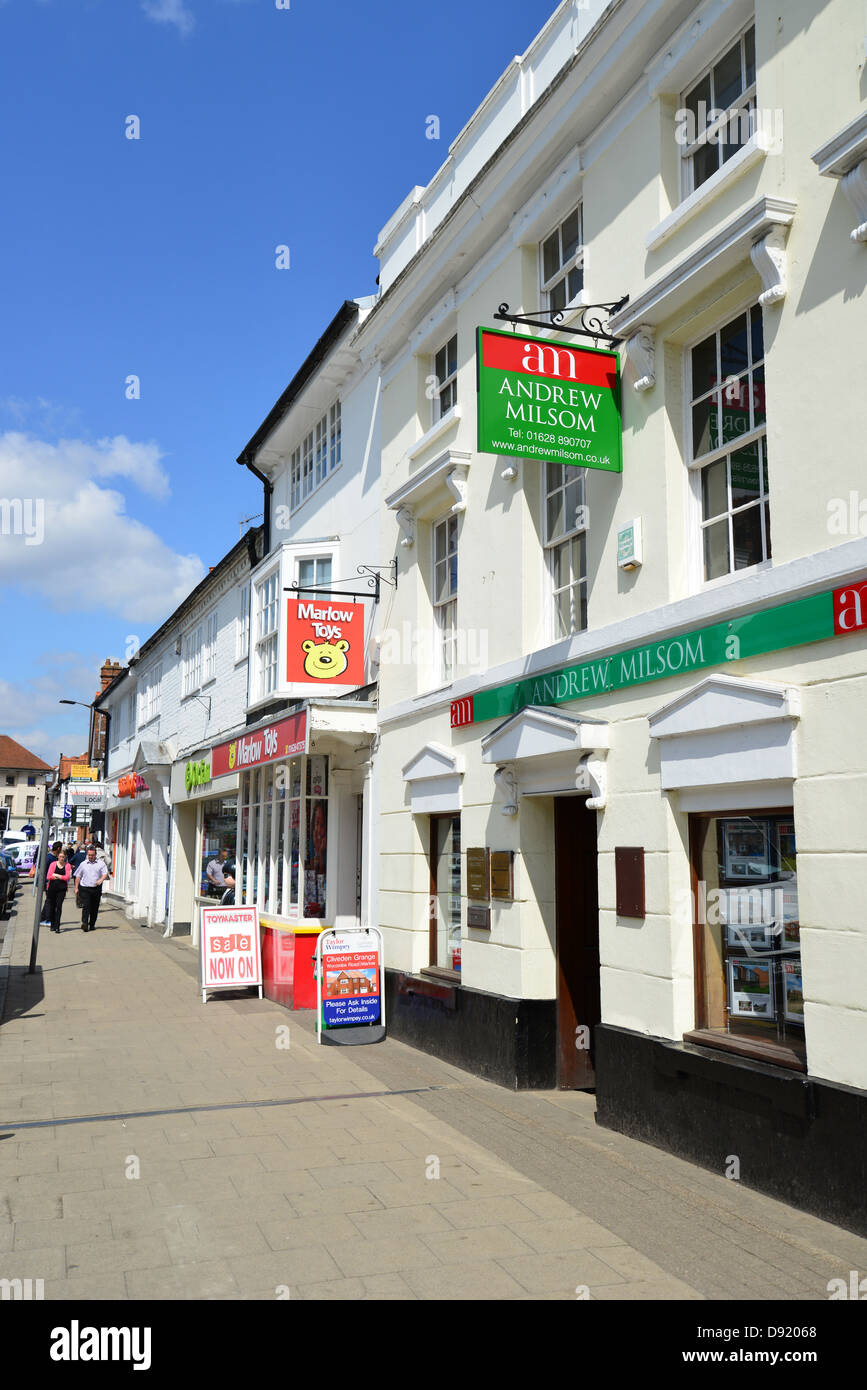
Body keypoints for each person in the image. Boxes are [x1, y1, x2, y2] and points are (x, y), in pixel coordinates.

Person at [74, 844, 109, 932]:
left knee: (94, 907)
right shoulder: (83, 864)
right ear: (87, 855)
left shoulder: (101, 864)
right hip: (85, 888)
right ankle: (85, 923)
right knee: (86, 906)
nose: (91, 857)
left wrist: (101, 880)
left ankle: (92, 924)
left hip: (96, 888)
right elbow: (78, 876)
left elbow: (105, 873)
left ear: (95, 855)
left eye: (92, 855)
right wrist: (76, 888)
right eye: (89, 855)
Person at [45, 851, 71, 933]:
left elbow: (67, 877)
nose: (62, 858)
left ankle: (57, 926)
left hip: (62, 889)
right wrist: (60, 877)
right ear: (58, 857)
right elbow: (49, 876)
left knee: (59, 906)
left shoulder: (67, 865)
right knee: (52, 906)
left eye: (63, 857)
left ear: (65, 857)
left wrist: (56, 875)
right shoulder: (53, 864)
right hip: (52, 888)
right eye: (60, 856)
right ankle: (52, 924)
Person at [40, 843, 64, 926]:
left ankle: (43, 918)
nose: (61, 850)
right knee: (50, 902)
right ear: (58, 848)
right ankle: (47, 919)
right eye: (60, 848)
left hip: (55, 883)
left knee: (49, 901)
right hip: (49, 883)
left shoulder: (55, 857)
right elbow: (43, 870)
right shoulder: (49, 857)